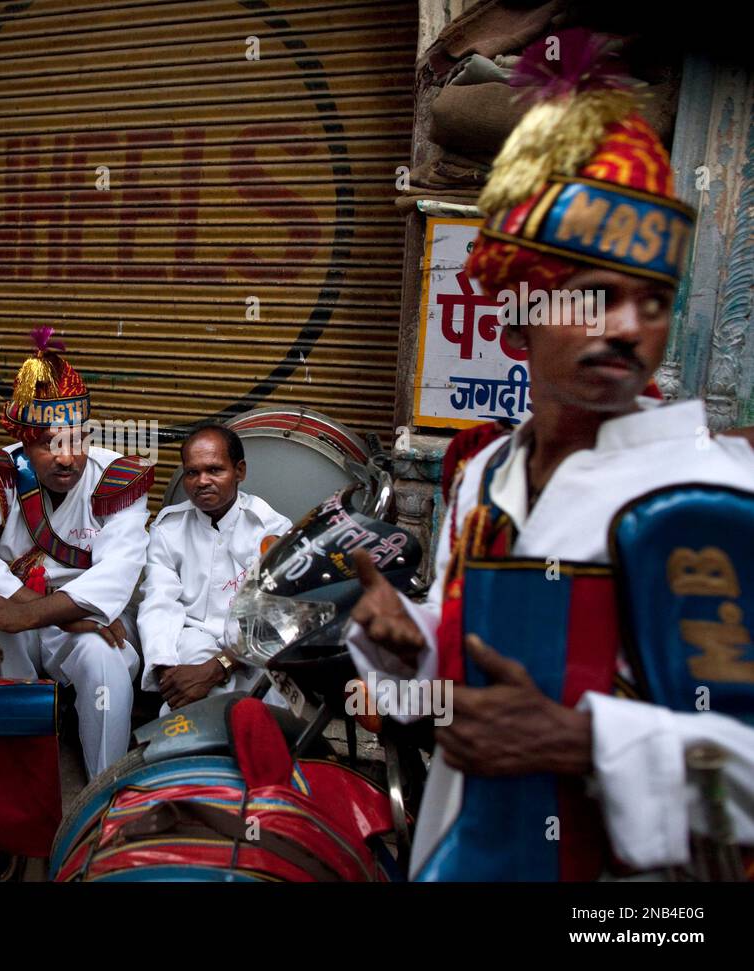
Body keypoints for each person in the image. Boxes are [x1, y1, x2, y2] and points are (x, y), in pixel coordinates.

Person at [347, 31, 754, 880]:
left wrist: (585, 741)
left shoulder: (710, 494)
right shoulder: (481, 475)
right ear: (517, 313)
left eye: (651, 301)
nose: (628, 328)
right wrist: (401, 644)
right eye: (595, 295)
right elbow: (467, 672)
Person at [0, 328, 152, 777]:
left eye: (76, 440)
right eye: (49, 443)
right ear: (25, 443)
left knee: (105, 661)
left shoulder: (117, 480)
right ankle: (19, 783)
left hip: (88, 620)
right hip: (28, 612)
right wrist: (46, 614)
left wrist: (44, 616)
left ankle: (102, 795)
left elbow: (118, 572)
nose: (67, 458)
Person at [138, 423, 292, 711]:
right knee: (191, 658)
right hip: (192, 647)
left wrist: (219, 666)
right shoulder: (169, 528)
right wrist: (165, 670)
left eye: (215, 470)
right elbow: (159, 601)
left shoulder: (271, 530)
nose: (202, 481)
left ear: (240, 471)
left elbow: (276, 615)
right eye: (192, 472)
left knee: (257, 712)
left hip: (253, 656)